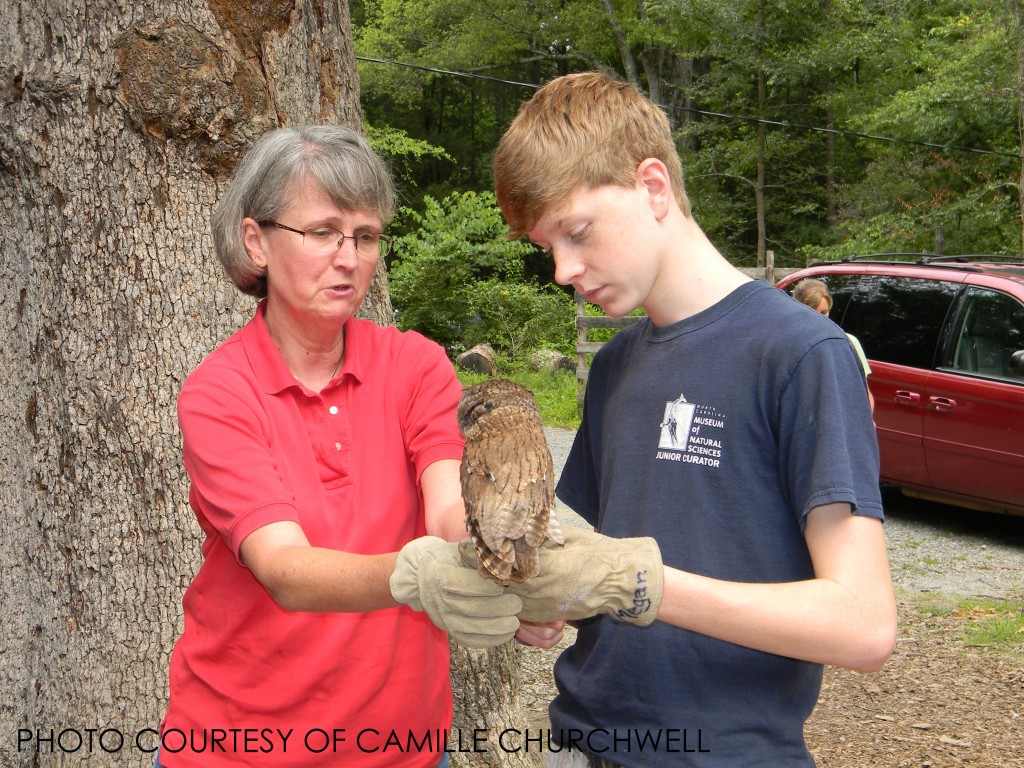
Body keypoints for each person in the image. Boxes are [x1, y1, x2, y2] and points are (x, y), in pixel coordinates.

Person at [490, 73, 897, 767]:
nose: (562, 269)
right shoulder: (615, 364)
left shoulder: (802, 354)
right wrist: (547, 593)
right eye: (547, 247)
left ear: (653, 187)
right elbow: (602, 571)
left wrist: (640, 583)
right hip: (578, 743)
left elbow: (863, 626)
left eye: (577, 232)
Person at [156, 125, 522, 768]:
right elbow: (285, 569)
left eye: (366, 236)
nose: (349, 258)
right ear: (256, 241)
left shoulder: (415, 365)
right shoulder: (220, 392)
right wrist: (426, 575)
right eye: (323, 232)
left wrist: (504, 563)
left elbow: (448, 506)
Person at [792, 277, 875, 413]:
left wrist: (866, 420)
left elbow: (864, 393)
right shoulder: (790, 346)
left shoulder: (849, 342)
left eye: (824, 312)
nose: (820, 318)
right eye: (812, 312)